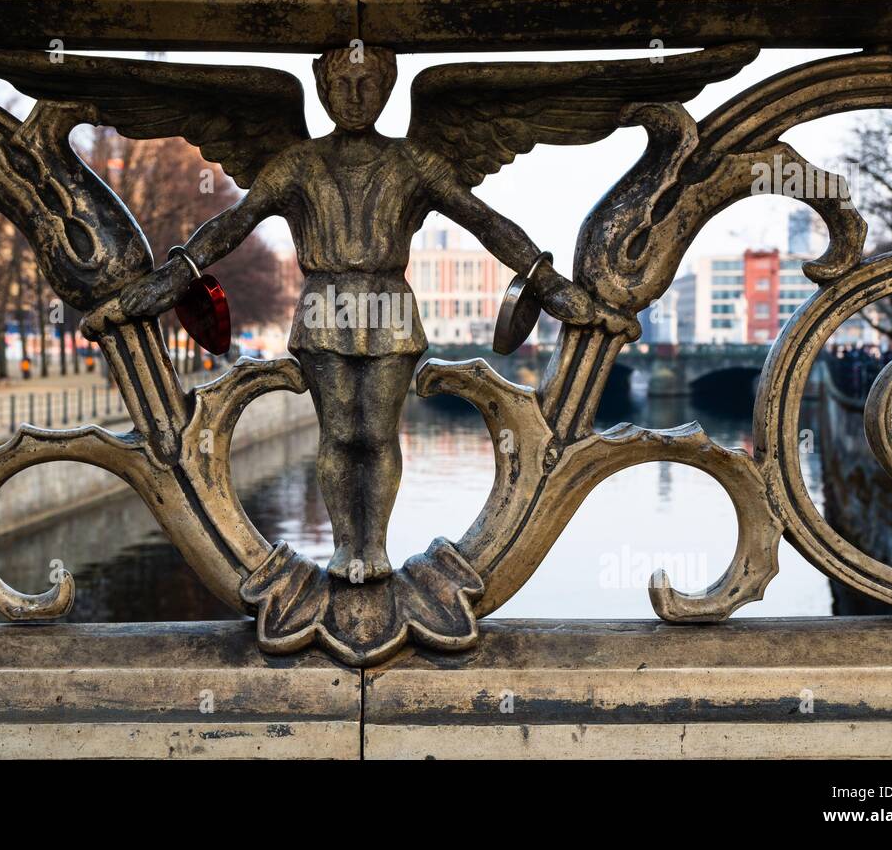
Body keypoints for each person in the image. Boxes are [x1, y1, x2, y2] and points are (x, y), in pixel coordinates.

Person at [121, 47, 586, 581]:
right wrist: (178, 274)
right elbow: (235, 221)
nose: (355, 96)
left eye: (368, 84)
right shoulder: (297, 162)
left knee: (378, 438)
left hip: (389, 305)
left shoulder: (414, 160)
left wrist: (545, 279)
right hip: (323, 306)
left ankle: (376, 547)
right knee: (340, 435)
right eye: (342, 84)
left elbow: (483, 220)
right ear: (321, 89)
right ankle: (347, 548)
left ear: (388, 88)